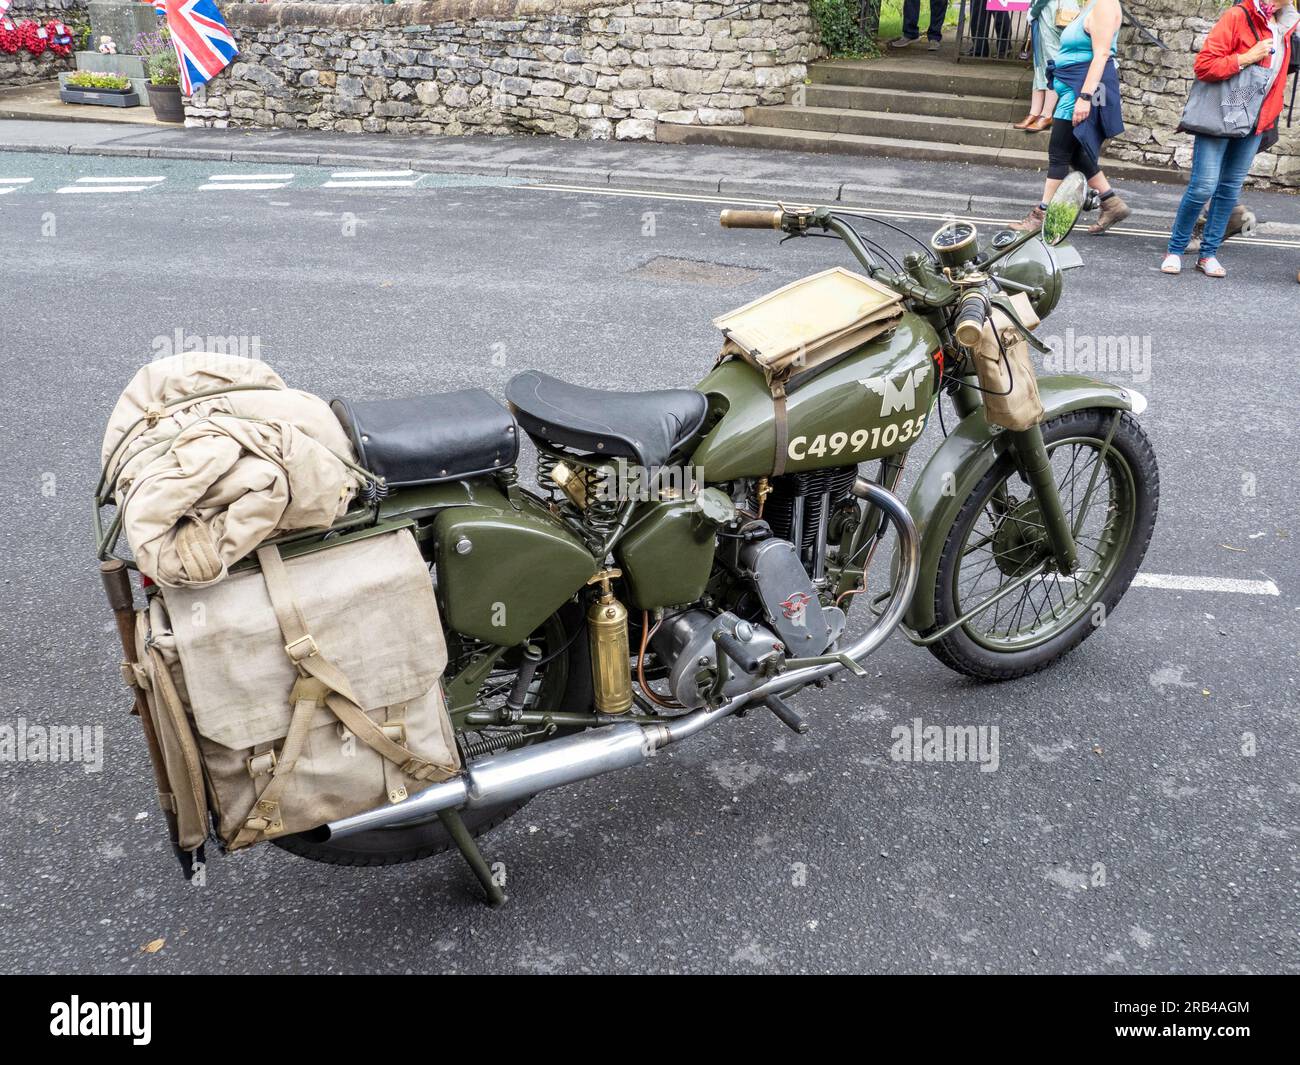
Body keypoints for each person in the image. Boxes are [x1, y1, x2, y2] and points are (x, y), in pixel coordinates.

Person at [1162, 1, 1298, 278]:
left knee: (1229, 190)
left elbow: (1278, 78)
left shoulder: (1286, 26)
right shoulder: (1238, 15)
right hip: (1220, 115)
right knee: (1202, 187)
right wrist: (1247, 57)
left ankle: (1208, 254)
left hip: (1254, 121)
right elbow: (1204, 66)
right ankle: (1175, 249)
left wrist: (1269, 116)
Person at [1011, 0, 1130, 234]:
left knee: (1059, 153)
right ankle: (1112, 203)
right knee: (1075, 153)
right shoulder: (1091, 4)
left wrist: (1085, 97)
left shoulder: (1105, 5)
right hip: (1072, 89)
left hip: (1080, 92)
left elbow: (1102, 54)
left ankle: (1042, 215)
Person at [1013, 0, 1064, 131]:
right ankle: (1034, 112)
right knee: (1039, 63)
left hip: (1052, 10)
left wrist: (1034, 11)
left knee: (1051, 61)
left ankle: (1046, 114)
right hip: (1043, 11)